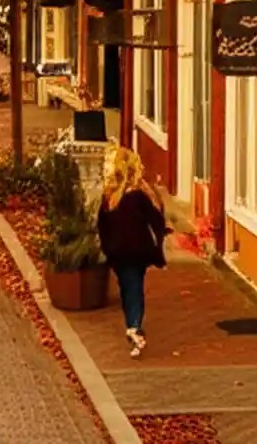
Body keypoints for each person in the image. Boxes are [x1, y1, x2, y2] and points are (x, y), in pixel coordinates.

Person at [97, 146, 168, 359]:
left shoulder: (109, 198)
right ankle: (134, 325)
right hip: (136, 252)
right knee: (134, 287)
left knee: (127, 287)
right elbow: (156, 220)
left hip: (118, 254)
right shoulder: (137, 196)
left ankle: (133, 325)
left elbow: (102, 226)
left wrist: (106, 248)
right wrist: (158, 247)